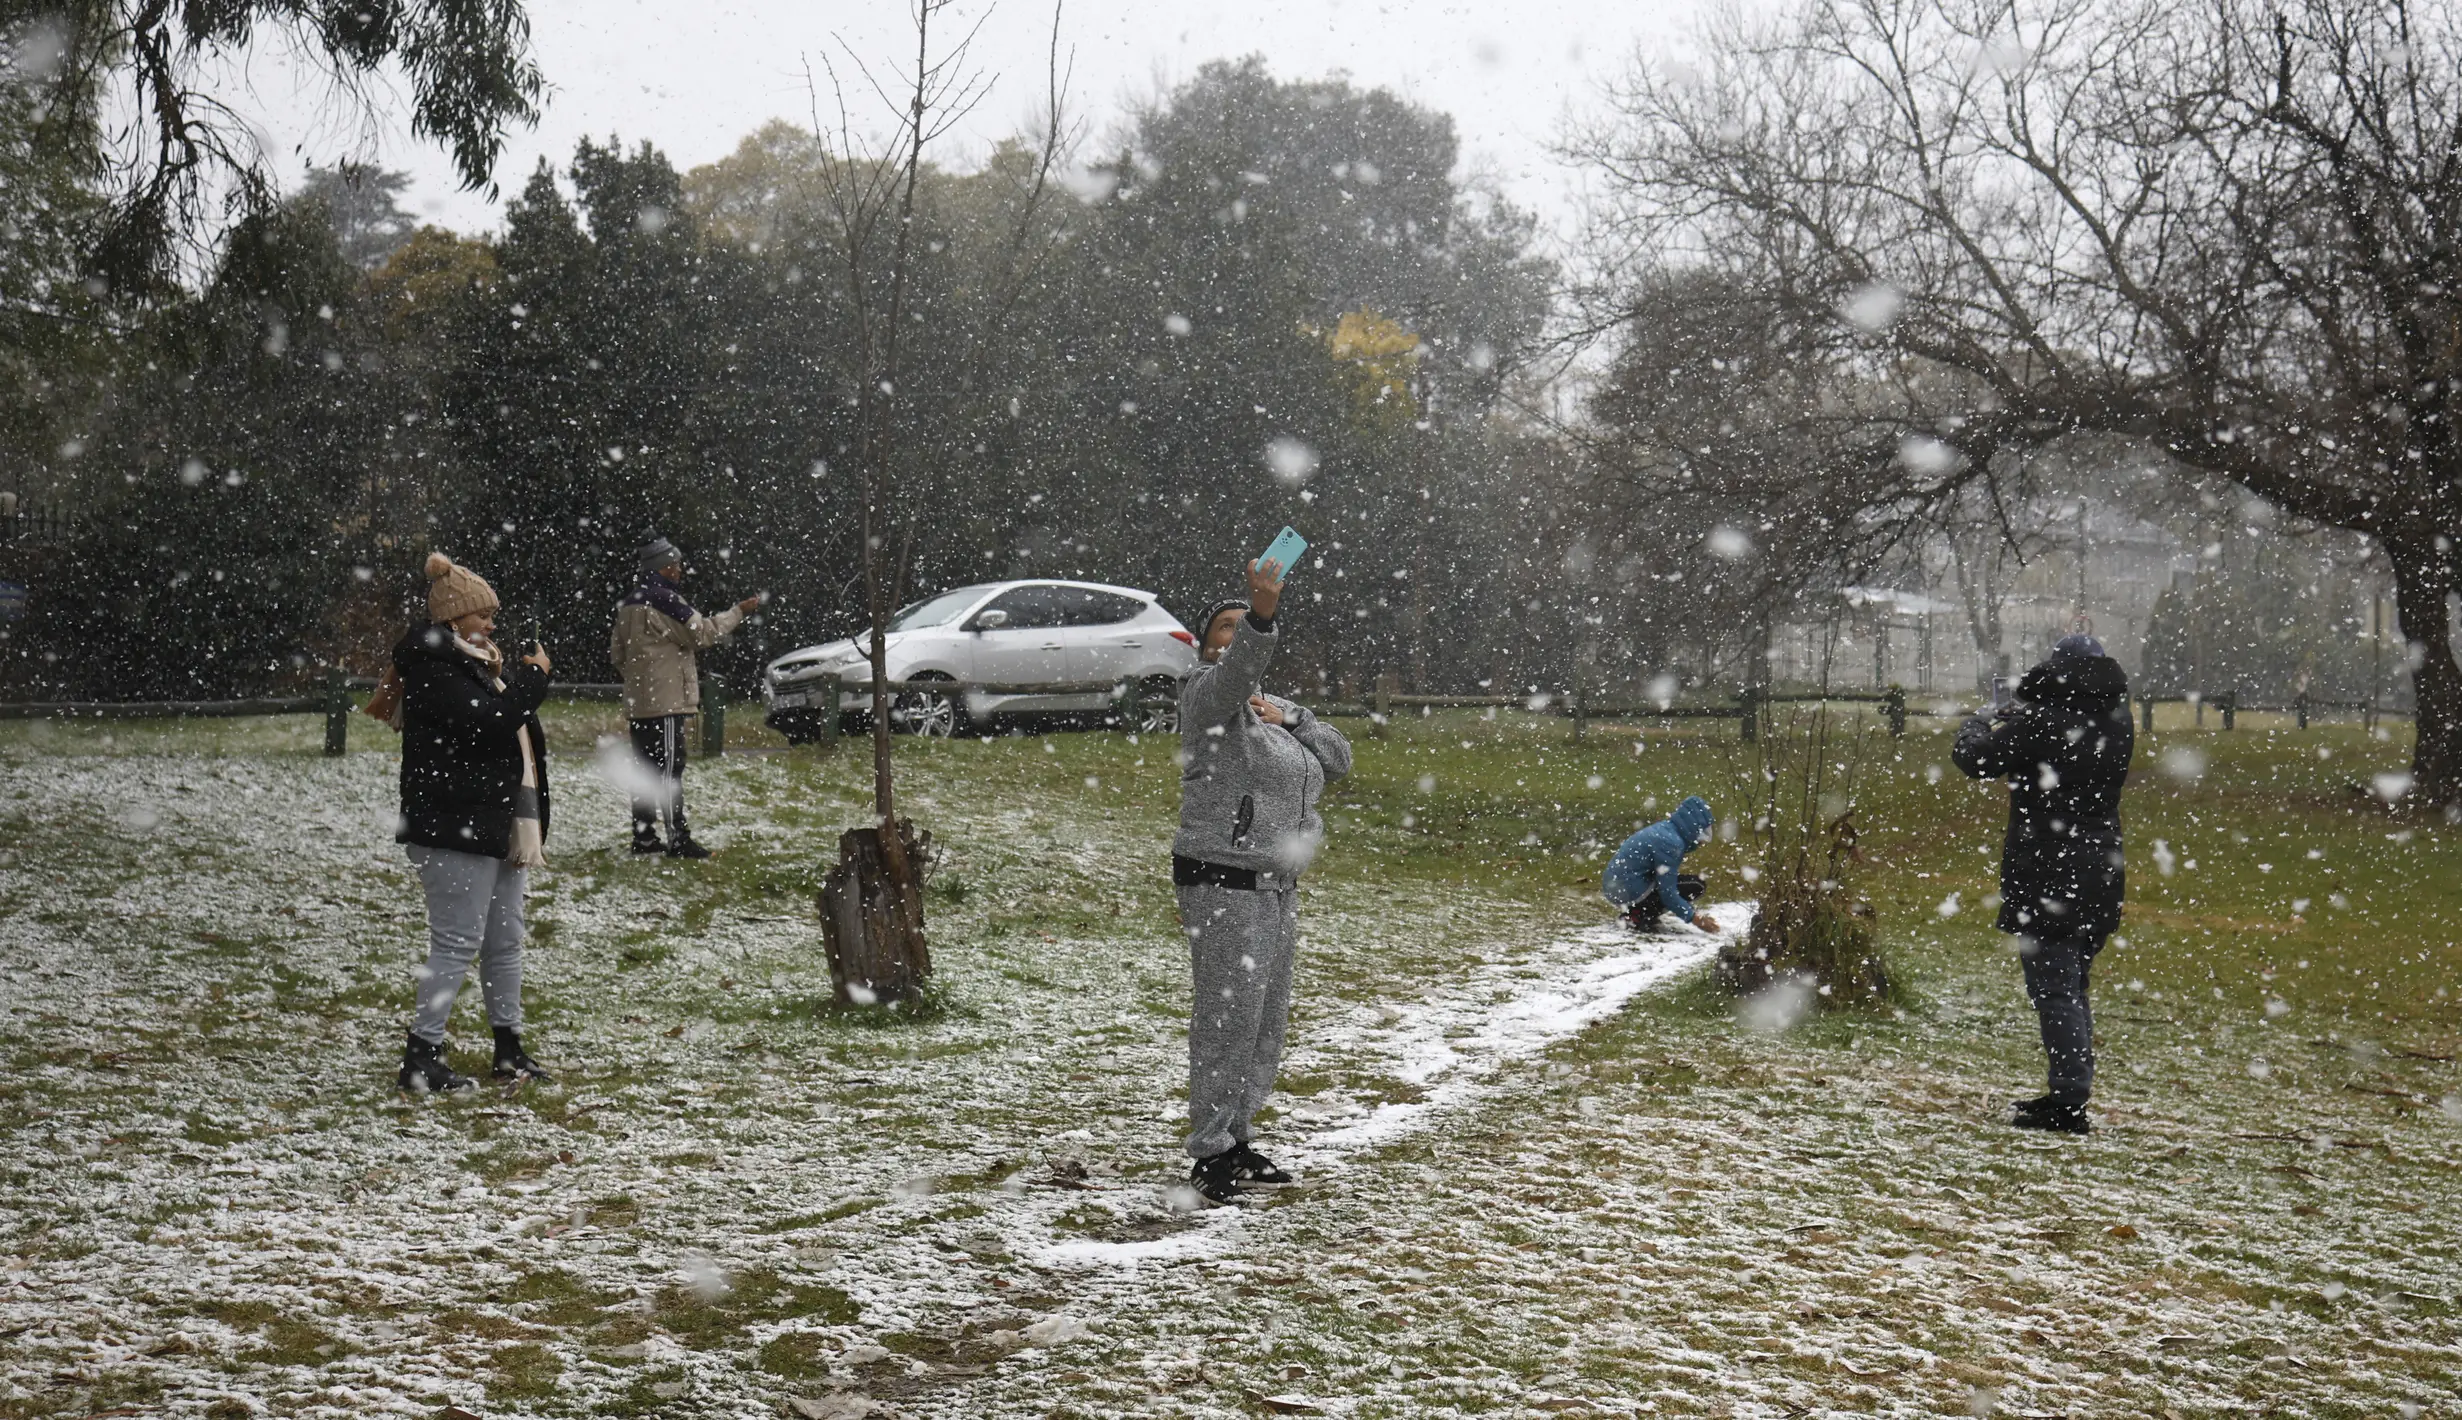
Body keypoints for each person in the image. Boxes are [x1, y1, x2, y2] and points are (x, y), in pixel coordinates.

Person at [1173, 552, 1352, 1204]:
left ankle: (1238, 1138)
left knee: (1262, 1022)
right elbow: (1237, 667)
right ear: (1206, 645)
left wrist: (1296, 719)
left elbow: (1338, 757)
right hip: (1223, 879)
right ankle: (1210, 1152)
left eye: (1239, 627)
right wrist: (1262, 611)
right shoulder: (1206, 697)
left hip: (1276, 887)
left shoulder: (1274, 707)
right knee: (1227, 1019)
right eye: (1224, 628)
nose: (1234, 637)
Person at [1952, 633, 2134, 1134]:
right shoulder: (2117, 719)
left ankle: (2069, 1103)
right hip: (2100, 867)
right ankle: (2069, 1091)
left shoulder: (2042, 721)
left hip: (2051, 869)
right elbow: (2059, 752)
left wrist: (1977, 723)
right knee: (2073, 985)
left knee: (2055, 990)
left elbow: (1976, 760)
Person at [391, 552, 554, 1094]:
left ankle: (508, 1048)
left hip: (493, 823)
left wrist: (517, 680)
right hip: (451, 826)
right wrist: (533, 679)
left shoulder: (476, 667)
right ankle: (421, 1057)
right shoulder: (435, 670)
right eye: (482, 614)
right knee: (457, 941)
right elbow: (493, 726)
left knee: (505, 938)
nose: (491, 623)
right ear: (455, 619)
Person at [609, 538, 762, 858]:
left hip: (640, 705)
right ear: (662, 567)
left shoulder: (629, 603)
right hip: (665, 705)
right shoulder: (667, 601)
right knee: (668, 772)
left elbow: (617, 655)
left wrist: (640, 681)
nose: (679, 570)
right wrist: (738, 612)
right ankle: (678, 838)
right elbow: (703, 633)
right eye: (674, 564)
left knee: (646, 773)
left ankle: (645, 837)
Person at [1602, 796, 1723, 933]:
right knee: (1696, 886)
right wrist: (1696, 919)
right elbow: (1668, 893)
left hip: (1618, 884)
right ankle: (1637, 915)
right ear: (1694, 830)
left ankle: (1641, 912)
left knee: (1686, 884)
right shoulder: (1671, 843)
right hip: (1626, 886)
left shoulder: (1667, 830)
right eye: (1702, 837)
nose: (1702, 843)